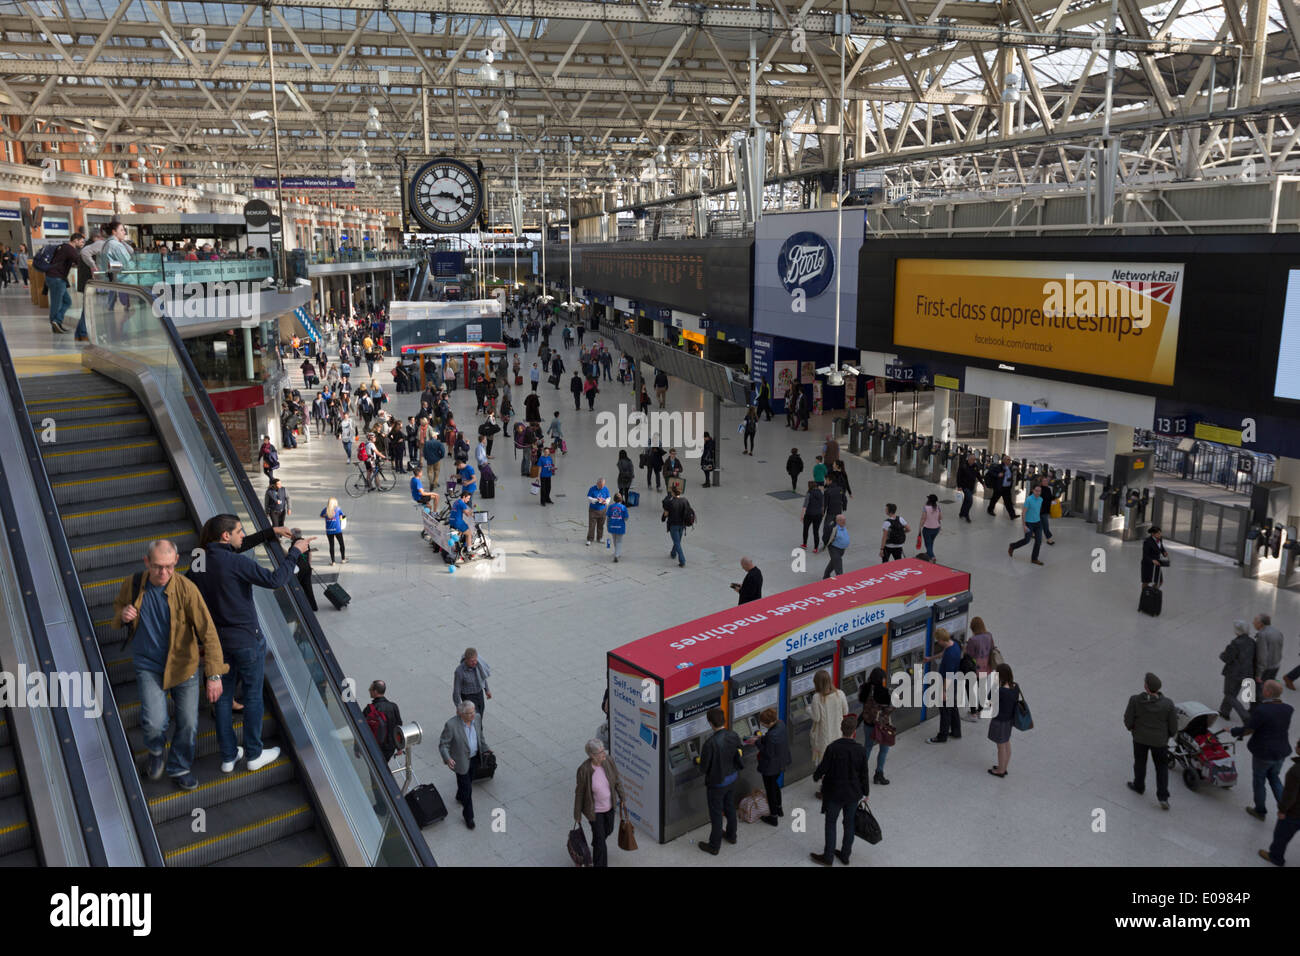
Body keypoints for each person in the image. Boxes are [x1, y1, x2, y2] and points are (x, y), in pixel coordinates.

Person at [190, 515, 310, 776]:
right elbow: (275, 580)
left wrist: (269, 532)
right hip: (246, 641)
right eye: (239, 531)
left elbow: (224, 556)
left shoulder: (198, 563)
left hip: (217, 645)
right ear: (225, 536)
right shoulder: (235, 563)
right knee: (253, 696)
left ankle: (228, 756)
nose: (243, 535)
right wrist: (295, 554)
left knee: (222, 698)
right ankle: (254, 753)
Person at [111, 540, 227, 791]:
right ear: (146, 563)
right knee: (154, 722)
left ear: (176, 562)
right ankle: (155, 751)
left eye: (168, 567)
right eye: (156, 567)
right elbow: (119, 607)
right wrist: (122, 616)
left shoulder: (187, 590)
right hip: (149, 665)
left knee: (188, 722)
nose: (163, 573)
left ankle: (180, 766)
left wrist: (214, 674)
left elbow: (208, 632)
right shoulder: (132, 584)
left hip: (184, 666)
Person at [809, 714, 870, 866]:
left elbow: (823, 767)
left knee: (830, 823)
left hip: (834, 792)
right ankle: (845, 855)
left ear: (841, 729)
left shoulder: (833, 748)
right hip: (853, 794)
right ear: (854, 732)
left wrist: (816, 776)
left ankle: (828, 857)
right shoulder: (861, 750)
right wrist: (866, 792)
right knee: (849, 824)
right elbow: (864, 773)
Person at [1231, 680, 1294, 821]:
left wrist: (1234, 731)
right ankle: (1287, 809)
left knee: (1259, 781)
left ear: (1268, 693)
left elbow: (1248, 730)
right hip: (1281, 751)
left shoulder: (1262, 710)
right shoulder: (1288, 709)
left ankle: (1260, 811)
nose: (1261, 690)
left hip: (1263, 753)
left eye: (1264, 688)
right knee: (1274, 778)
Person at [1124, 672, 1178, 809]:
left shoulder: (1135, 700)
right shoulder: (1168, 704)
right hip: (1160, 742)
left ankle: (1139, 786)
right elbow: (1173, 726)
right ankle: (1163, 797)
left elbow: (1128, 719)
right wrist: (1167, 736)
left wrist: (1132, 729)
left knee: (1140, 763)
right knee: (1161, 768)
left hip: (1140, 739)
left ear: (1146, 686)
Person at [574, 738, 627, 868]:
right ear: (592, 755)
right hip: (595, 811)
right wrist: (577, 813)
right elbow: (580, 792)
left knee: (608, 830)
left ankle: (597, 841)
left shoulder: (608, 761)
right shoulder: (584, 770)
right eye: (600, 752)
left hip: (609, 807)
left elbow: (616, 780)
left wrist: (623, 797)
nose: (604, 754)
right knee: (601, 845)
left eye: (604, 750)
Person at [696, 707, 743, 855]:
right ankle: (731, 835)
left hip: (717, 783)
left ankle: (714, 846)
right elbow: (738, 751)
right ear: (723, 720)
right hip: (732, 778)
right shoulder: (733, 735)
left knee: (716, 815)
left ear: (710, 723)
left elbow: (703, 768)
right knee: (729, 807)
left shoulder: (709, 743)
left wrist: (697, 761)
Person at [438, 701, 489, 830]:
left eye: (473, 711)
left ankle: (459, 795)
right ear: (460, 714)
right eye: (469, 713)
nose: (473, 714)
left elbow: (480, 735)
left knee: (468, 782)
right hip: (460, 762)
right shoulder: (451, 725)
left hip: (475, 758)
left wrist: (485, 748)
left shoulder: (477, 718)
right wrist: (448, 758)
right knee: (468, 790)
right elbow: (443, 744)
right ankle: (469, 817)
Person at [1259, 738, 1300, 865]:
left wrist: (1282, 810)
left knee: (1281, 835)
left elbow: (1289, 794)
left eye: (1298, 744)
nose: (1295, 745)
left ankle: (1275, 857)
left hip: (1294, 812)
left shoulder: (1296, 771)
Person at [925, 628, 963, 743]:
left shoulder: (951, 655)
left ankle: (942, 736)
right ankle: (956, 732)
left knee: (945, 711)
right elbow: (943, 653)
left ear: (942, 640)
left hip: (948, 684)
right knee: (953, 708)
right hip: (954, 682)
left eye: (938, 640)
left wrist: (944, 692)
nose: (938, 642)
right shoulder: (954, 644)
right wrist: (930, 659)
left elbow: (949, 676)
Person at [857, 667, 894, 785]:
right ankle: (879, 774)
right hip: (882, 725)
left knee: (867, 747)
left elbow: (861, 701)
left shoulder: (864, 688)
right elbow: (889, 708)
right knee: (883, 749)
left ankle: (860, 775)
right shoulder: (883, 691)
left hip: (867, 723)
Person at [45, 233, 86, 337]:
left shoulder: (62, 247)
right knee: (56, 303)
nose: (82, 244)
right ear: (75, 240)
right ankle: (55, 322)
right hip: (57, 279)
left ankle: (57, 322)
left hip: (54, 277)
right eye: (81, 241)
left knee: (67, 301)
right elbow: (79, 261)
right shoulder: (70, 249)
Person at [809, 669, 850, 773]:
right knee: (837, 762)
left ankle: (825, 787)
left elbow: (816, 718)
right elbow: (846, 712)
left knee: (825, 763)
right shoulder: (840, 694)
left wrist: (808, 710)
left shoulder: (816, 698)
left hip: (823, 738)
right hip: (838, 734)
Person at [1220, 621, 1257, 722]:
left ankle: (1245, 716)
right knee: (1233, 692)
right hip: (1247, 672)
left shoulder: (1235, 643)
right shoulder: (1252, 642)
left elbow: (1227, 658)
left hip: (1234, 673)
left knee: (1229, 693)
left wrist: (1222, 654)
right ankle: (1224, 711)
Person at [988, 663, 1018, 776]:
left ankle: (1000, 770)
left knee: (1000, 746)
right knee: (1006, 742)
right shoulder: (1015, 686)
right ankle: (1004, 766)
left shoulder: (1000, 691)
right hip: (1009, 720)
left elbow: (989, 701)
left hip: (1000, 720)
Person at [365, 680, 404, 763]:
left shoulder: (370, 709)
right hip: (390, 748)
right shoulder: (393, 706)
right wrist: (399, 746)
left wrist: (357, 748)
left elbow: (361, 728)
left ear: (375, 692)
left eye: (370, 689)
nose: (369, 690)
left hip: (375, 747)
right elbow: (398, 726)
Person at [1007, 483, 1045, 565]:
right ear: (1033, 491)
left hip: (1038, 523)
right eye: (1036, 491)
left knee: (1038, 541)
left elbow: (1037, 511)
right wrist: (1024, 525)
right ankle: (1012, 546)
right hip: (1029, 523)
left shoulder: (1041, 499)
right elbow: (1023, 513)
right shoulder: (1029, 500)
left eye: (1039, 491)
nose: (1038, 492)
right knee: (1027, 540)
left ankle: (1034, 559)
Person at [965, 617, 995, 717]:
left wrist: (965, 646)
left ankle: (973, 712)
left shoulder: (973, 640)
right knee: (982, 688)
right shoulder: (989, 635)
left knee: (969, 688)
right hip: (986, 667)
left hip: (976, 668)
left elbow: (969, 654)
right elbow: (992, 648)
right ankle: (980, 710)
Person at [452, 648, 492, 724]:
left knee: (480, 714)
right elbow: (456, 690)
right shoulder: (459, 672)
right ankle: (476, 733)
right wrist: (458, 706)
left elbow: (482, 677)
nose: (474, 663)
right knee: (474, 717)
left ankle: (478, 731)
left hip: (479, 693)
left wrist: (487, 690)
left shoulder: (478, 665)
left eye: (475, 660)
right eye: (472, 661)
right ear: (466, 660)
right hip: (468, 697)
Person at [663, 485, 691, 568]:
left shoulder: (670, 502)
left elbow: (666, 514)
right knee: (677, 540)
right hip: (682, 524)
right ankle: (673, 553)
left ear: (672, 492)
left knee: (677, 542)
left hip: (673, 525)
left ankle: (682, 560)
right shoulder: (685, 501)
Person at [985, 454, 1018, 519]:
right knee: (994, 499)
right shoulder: (998, 467)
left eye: (1010, 460)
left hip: (1007, 488)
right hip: (999, 487)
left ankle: (1012, 515)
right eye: (1008, 460)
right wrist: (997, 475)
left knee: (1008, 502)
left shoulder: (1010, 467)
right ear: (1004, 460)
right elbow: (990, 472)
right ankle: (990, 510)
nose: (1010, 461)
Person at [1255, 613, 1284, 683]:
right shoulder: (1277, 631)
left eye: (1255, 621)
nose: (1253, 623)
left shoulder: (1262, 635)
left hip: (1266, 669)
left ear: (1260, 623)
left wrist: (1259, 674)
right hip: (1276, 666)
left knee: (1261, 690)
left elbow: (1262, 656)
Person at [956, 453, 982, 522]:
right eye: (971, 459)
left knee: (966, 501)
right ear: (968, 459)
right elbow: (958, 476)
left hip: (971, 486)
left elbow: (978, 475)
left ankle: (961, 513)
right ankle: (966, 514)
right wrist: (959, 486)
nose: (973, 461)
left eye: (974, 459)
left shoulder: (975, 466)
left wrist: (983, 483)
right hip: (964, 486)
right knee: (970, 501)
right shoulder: (963, 465)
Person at [800, 480, 825, 553]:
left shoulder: (809, 493)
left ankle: (804, 544)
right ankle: (815, 548)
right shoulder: (821, 493)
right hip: (818, 515)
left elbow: (805, 506)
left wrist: (802, 516)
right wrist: (822, 513)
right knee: (816, 531)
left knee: (806, 529)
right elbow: (822, 505)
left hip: (809, 515)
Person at [586, 477, 611, 546]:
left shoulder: (605, 489)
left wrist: (605, 502)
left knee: (601, 525)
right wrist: (596, 500)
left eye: (603, 486)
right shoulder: (592, 489)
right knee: (592, 525)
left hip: (602, 510)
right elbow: (589, 498)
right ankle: (590, 539)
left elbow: (609, 497)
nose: (601, 487)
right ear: (597, 483)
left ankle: (599, 538)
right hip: (593, 510)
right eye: (600, 486)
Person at [321, 497, 347, 565]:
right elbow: (342, 516)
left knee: (331, 545)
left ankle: (333, 561)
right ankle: (343, 559)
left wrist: (327, 516)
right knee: (341, 544)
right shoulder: (337, 509)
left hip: (329, 531)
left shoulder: (325, 510)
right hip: (337, 530)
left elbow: (321, 515)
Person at [824, 514, 850, 579]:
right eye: (842, 520)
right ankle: (840, 579)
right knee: (838, 563)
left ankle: (826, 575)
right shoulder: (834, 529)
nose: (844, 522)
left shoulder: (843, 527)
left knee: (833, 562)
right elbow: (826, 537)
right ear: (837, 521)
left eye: (845, 520)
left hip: (842, 549)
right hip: (834, 549)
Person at [918, 494, 942, 561]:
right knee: (931, 542)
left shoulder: (926, 508)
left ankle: (932, 556)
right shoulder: (938, 507)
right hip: (936, 528)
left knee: (927, 543)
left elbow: (923, 518)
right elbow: (940, 517)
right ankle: (929, 553)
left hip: (927, 529)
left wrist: (920, 527)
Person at [606, 493, 629, 562]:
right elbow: (626, 518)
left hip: (612, 526)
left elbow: (608, 517)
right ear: (621, 499)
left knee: (614, 539)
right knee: (619, 540)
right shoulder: (623, 507)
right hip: (620, 526)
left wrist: (607, 525)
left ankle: (616, 552)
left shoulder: (610, 507)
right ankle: (617, 554)